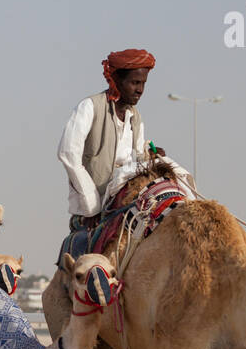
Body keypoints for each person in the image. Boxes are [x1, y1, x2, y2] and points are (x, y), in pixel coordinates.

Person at [56, 50, 165, 230]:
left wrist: (151, 157)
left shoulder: (135, 118)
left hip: (123, 205)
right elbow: (67, 153)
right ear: (116, 81)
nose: (140, 90)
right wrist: (92, 204)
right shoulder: (90, 107)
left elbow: (137, 159)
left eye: (143, 83)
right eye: (134, 83)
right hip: (91, 211)